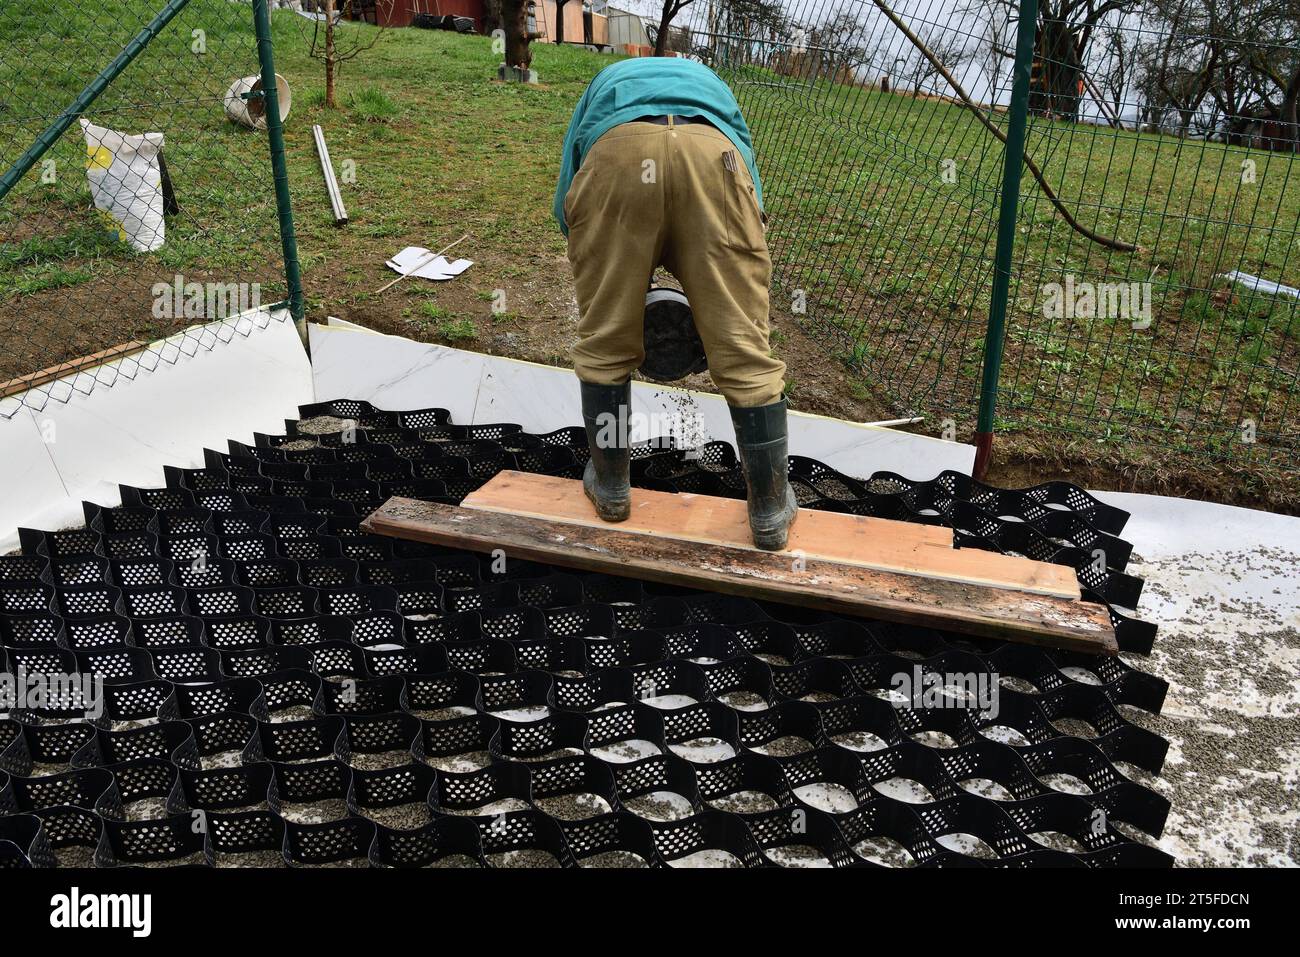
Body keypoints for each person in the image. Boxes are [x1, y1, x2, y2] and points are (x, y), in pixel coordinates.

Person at [553, 56, 797, 550]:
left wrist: (606, 262)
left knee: (604, 343)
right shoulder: (713, 87)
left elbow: (568, 185)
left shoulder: (605, 83)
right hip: (713, 158)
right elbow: (748, 176)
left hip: (618, 155)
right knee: (745, 351)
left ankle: (613, 488)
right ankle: (769, 510)